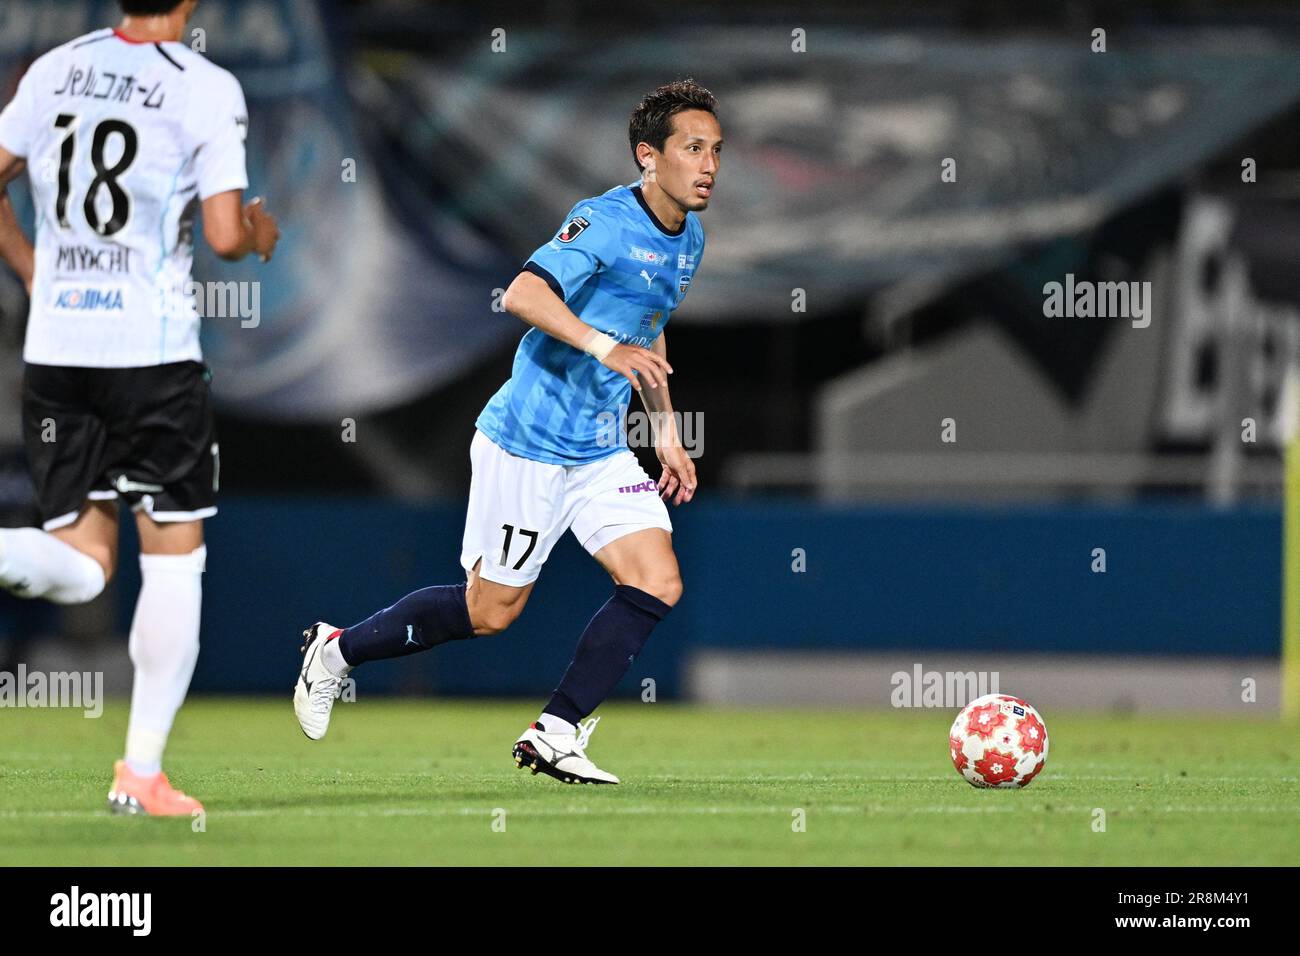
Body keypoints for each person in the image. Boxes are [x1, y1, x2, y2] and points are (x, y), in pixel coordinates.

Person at [295, 78, 722, 784]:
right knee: (490, 612)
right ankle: (336, 650)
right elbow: (523, 293)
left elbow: (650, 329)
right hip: (526, 441)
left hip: (600, 448)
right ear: (649, 156)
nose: (709, 165)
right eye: (693, 148)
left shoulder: (690, 237)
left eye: (716, 150)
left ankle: (555, 730)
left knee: (657, 579)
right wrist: (600, 347)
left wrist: (666, 430)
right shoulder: (603, 222)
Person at [0, 0, 280, 815]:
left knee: (86, 566)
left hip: (57, 353)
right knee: (173, 557)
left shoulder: (53, 69)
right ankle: (141, 772)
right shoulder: (203, 85)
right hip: (149, 355)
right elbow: (225, 234)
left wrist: (31, 268)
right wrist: (259, 233)